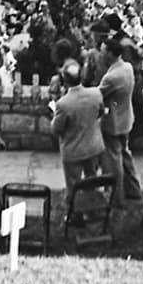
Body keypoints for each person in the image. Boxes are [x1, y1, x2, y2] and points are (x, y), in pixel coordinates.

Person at [51, 61, 106, 200]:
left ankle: (75, 213)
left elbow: (56, 129)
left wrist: (53, 114)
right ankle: (91, 207)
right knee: (91, 179)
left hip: (73, 149)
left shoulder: (63, 104)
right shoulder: (96, 94)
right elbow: (100, 113)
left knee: (73, 184)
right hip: (93, 146)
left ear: (65, 79)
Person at [98, 37, 142, 205]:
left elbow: (97, 95)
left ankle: (117, 197)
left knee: (114, 160)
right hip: (126, 118)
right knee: (125, 154)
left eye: (103, 51)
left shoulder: (111, 77)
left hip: (113, 122)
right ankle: (134, 189)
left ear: (110, 53)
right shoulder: (127, 67)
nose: (101, 55)